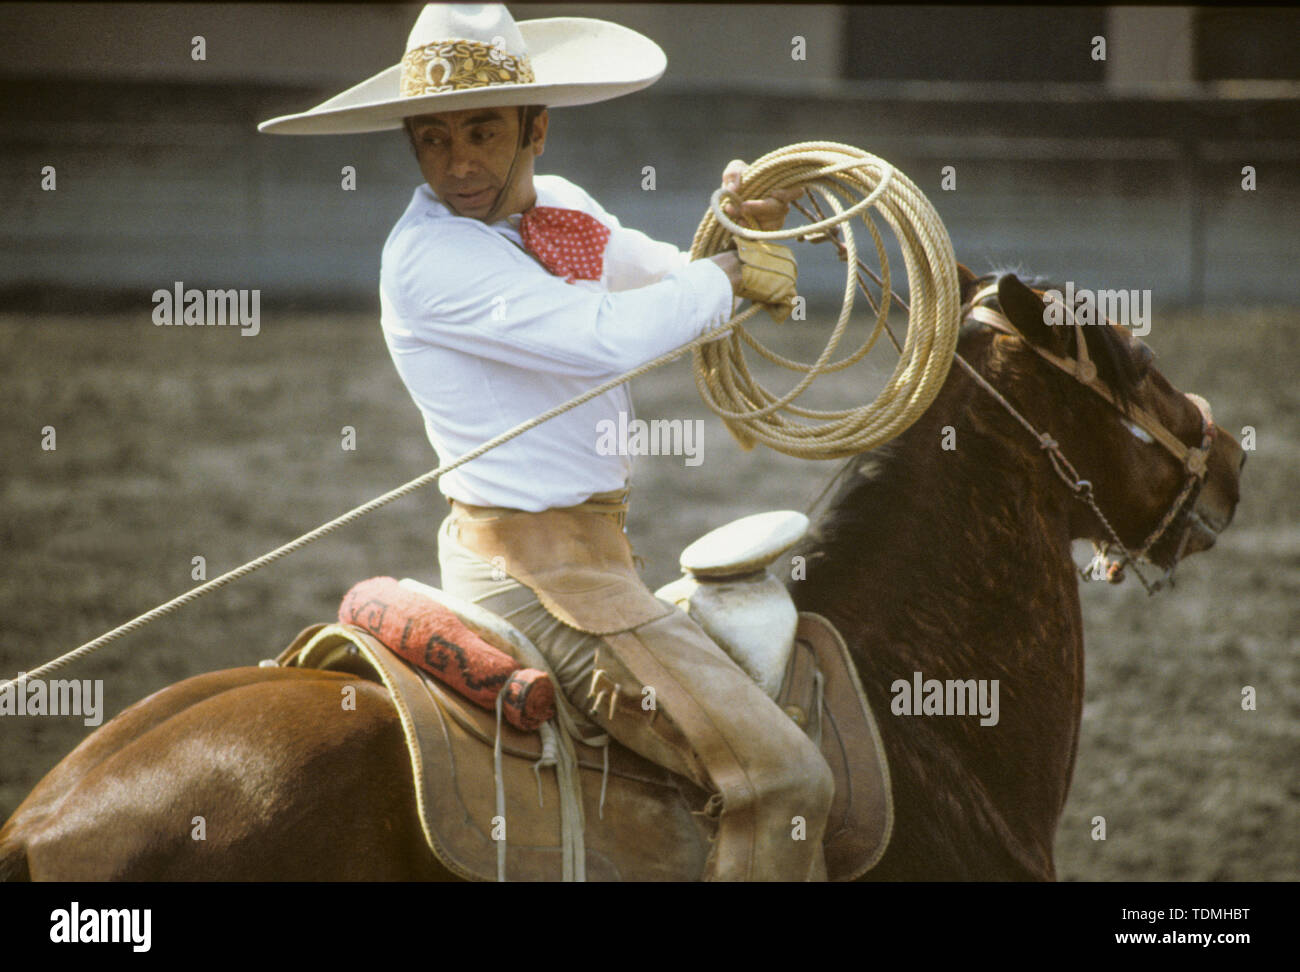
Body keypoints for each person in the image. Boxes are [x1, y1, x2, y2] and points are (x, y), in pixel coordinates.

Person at [260, 3, 833, 881]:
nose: (458, 164)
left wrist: (743, 233)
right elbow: (606, 336)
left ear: (537, 127)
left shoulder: (561, 207)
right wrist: (729, 276)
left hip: (599, 561)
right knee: (787, 778)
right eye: (433, 140)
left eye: (483, 132)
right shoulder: (428, 261)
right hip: (539, 584)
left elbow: (663, 281)